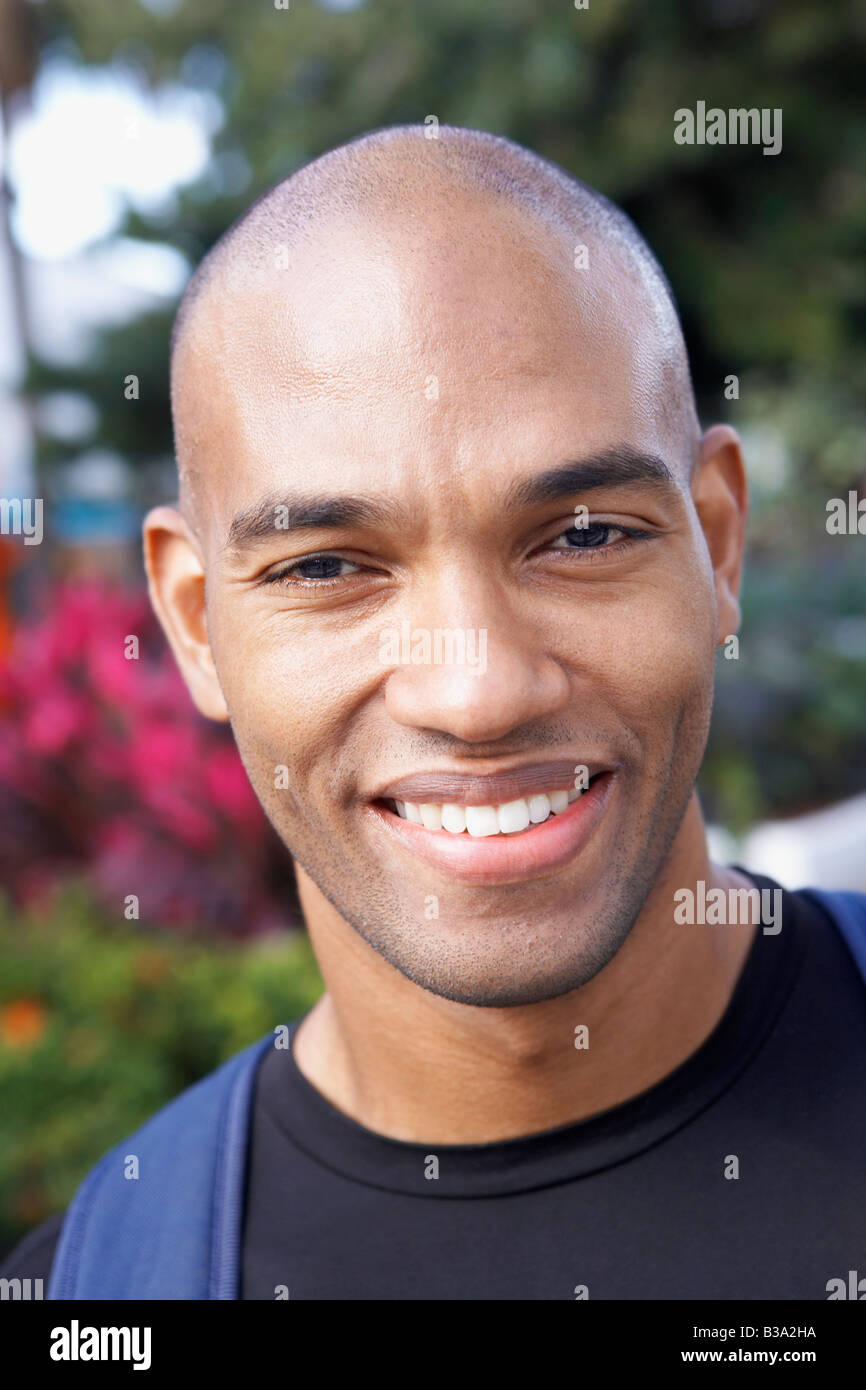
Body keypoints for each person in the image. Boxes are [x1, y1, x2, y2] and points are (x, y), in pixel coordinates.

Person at [3, 125, 865, 1301]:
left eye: (580, 537)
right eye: (325, 568)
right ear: (196, 623)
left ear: (715, 546)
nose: (477, 691)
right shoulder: (102, 1293)